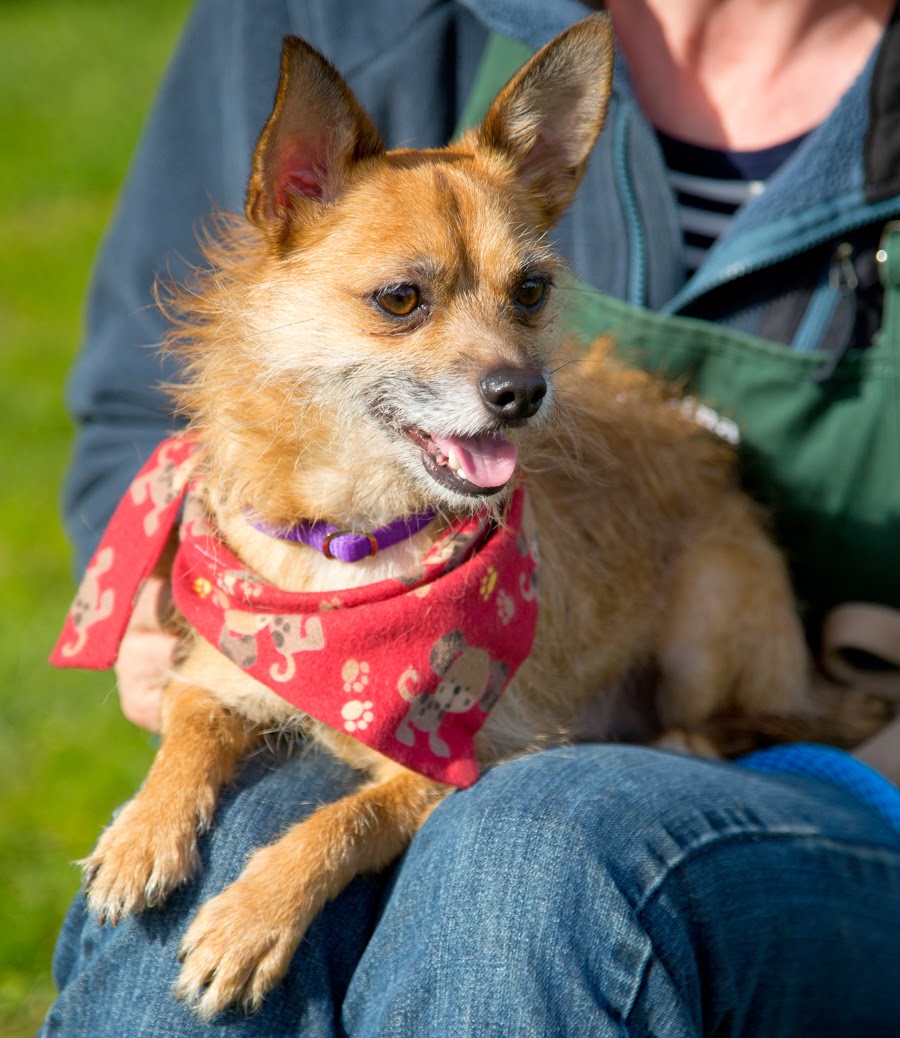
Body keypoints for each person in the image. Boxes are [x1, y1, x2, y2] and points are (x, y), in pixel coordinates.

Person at [41, 1, 900, 1035]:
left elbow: (477, 762)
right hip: (348, 608)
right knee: (234, 825)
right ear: (293, 186)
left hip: (815, 766)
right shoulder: (341, 20)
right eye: (404, 300)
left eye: (526, 296)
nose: (509, 365)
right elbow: (137, 405)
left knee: (533, 847)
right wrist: (164, 614)